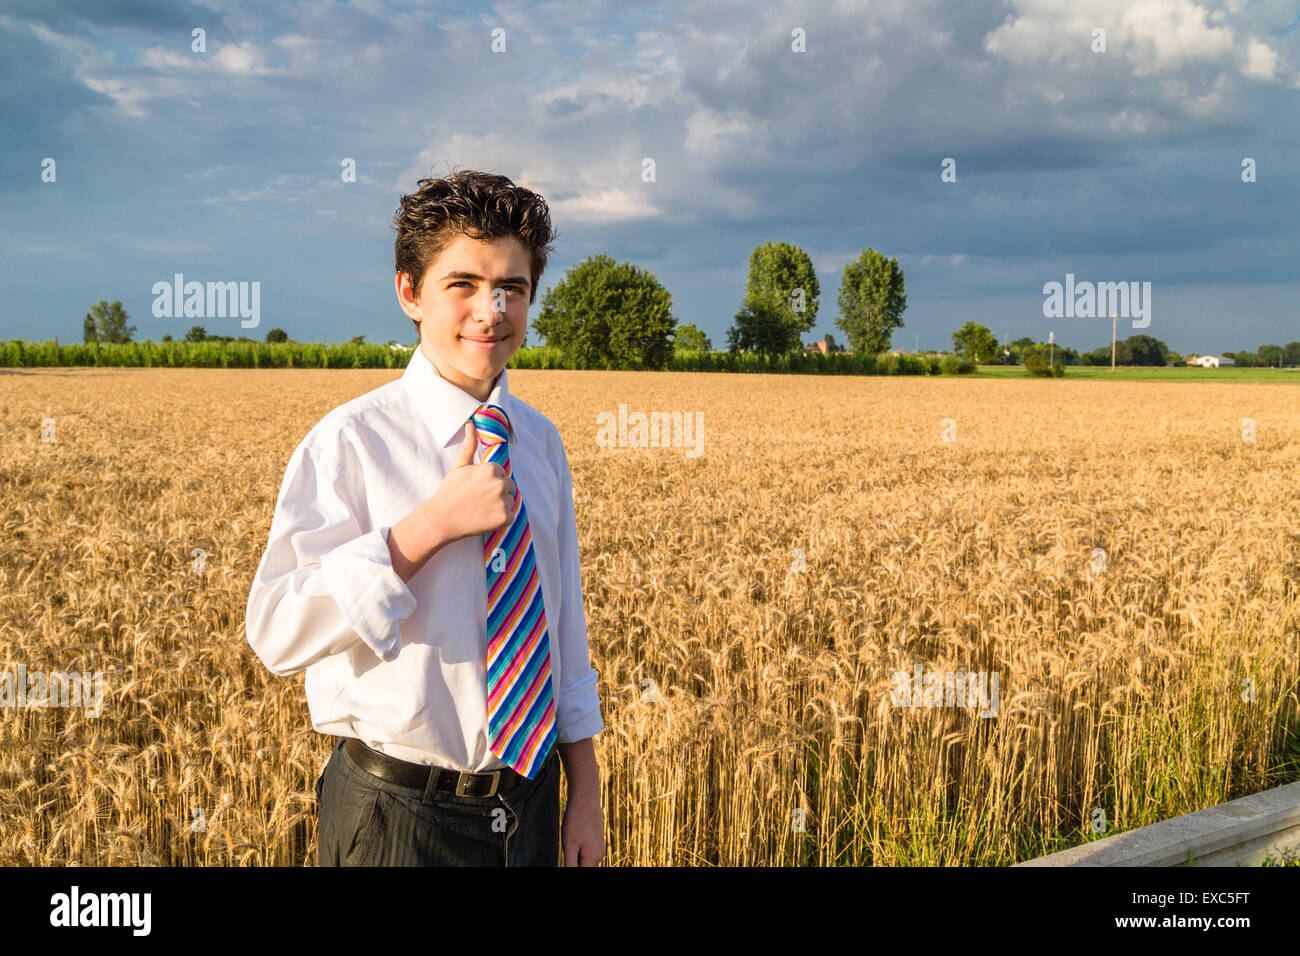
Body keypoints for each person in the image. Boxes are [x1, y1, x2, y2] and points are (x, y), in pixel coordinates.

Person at [244, 168, 605, 866]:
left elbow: (565, 634)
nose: (491, 309)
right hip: (397, 817)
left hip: (528, 803)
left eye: (514, 288)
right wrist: (427, 527)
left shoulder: (540, 444)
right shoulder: (349, 444)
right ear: (410, 292)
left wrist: (583, 792)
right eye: (462, 284)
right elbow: (276, 632)